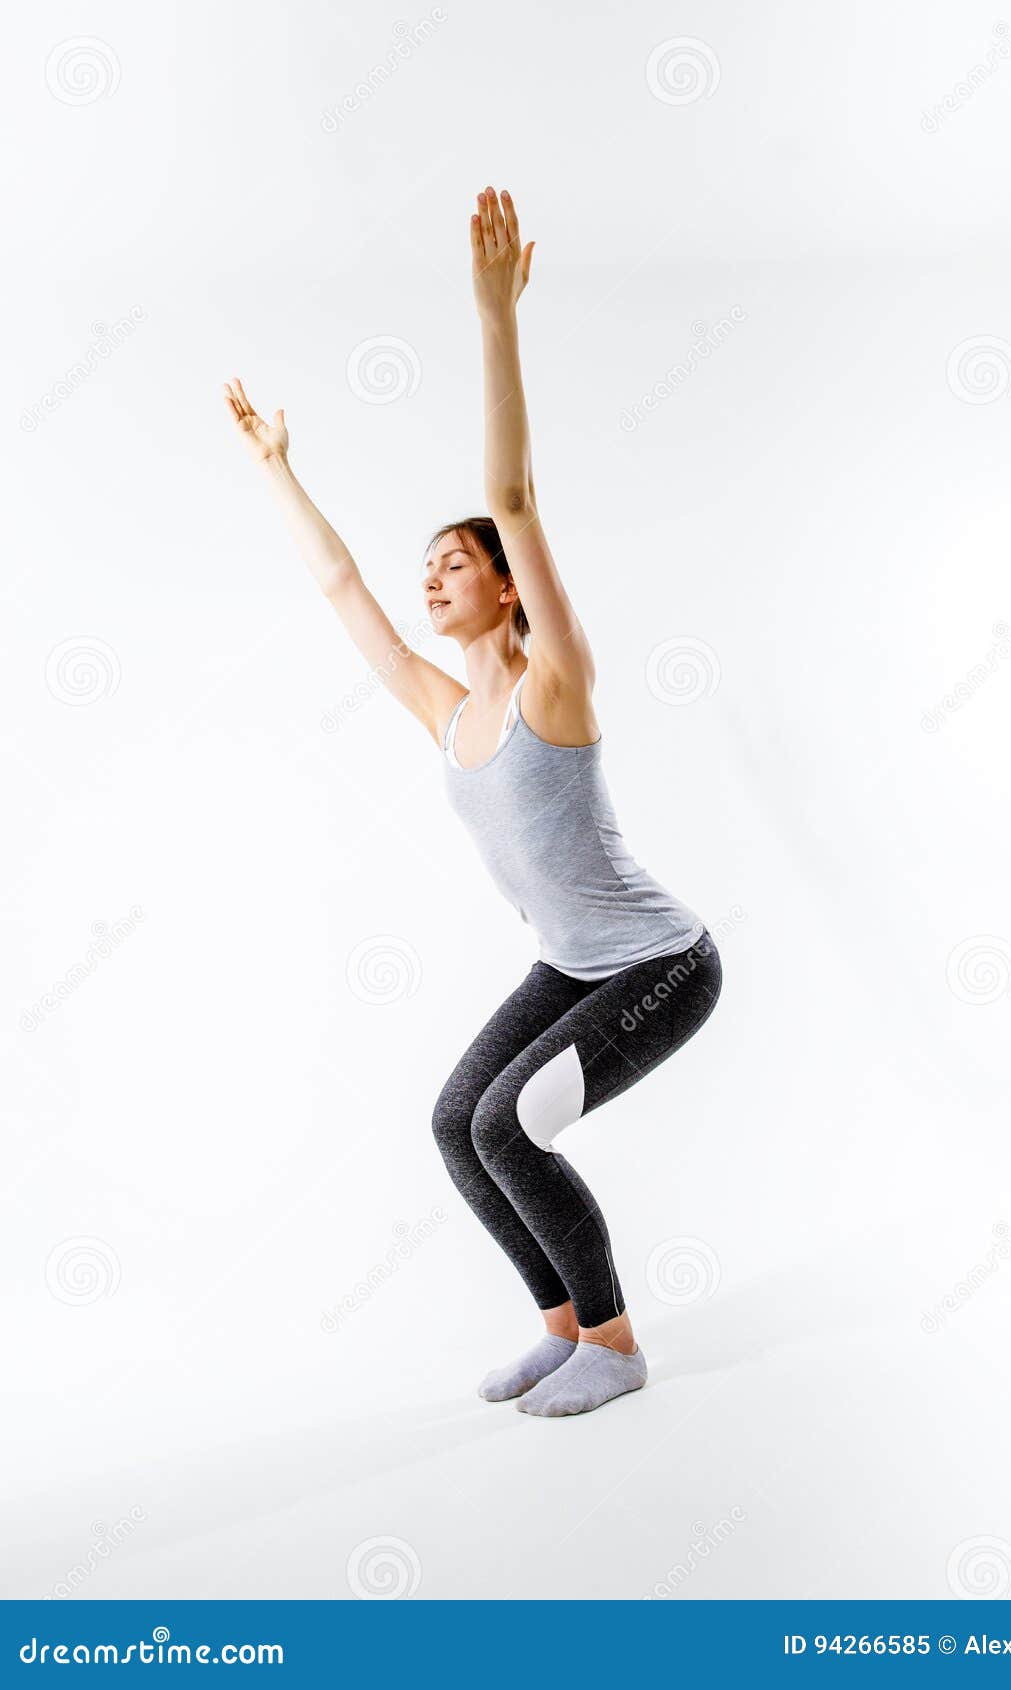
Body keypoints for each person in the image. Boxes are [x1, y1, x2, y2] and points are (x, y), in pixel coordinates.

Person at [223, 185, 722, 1417]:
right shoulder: (450, 714)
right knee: (458, 1121)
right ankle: (562, 1330)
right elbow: (345, 590)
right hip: (570, 963)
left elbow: (515, 500)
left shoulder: (557, 684)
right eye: (430, 568)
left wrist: (493, 316)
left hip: (660, 962)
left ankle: (615, 1345)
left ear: (508, 595)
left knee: (511, 1126)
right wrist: (280, 471)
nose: (434, 577)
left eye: (455, 565)